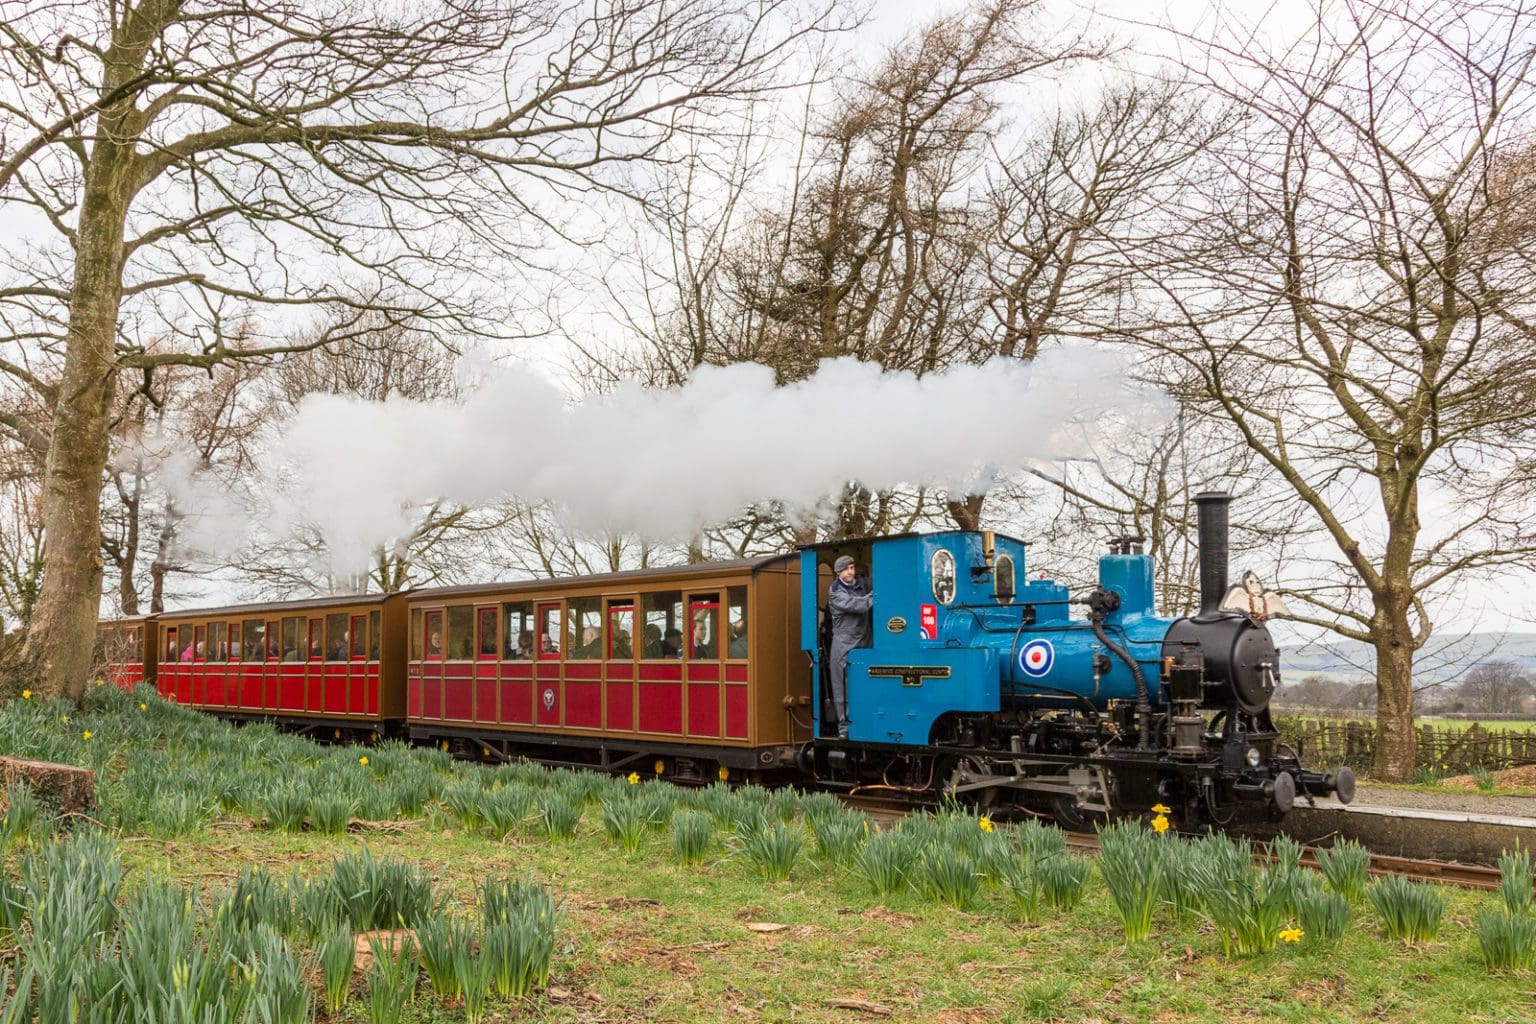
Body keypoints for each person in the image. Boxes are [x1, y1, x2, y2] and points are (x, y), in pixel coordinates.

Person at [827, 554, 873, 740]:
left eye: (852, 568)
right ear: (838, 573)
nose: (850, 572)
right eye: (846, 569)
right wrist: (877, 595)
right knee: (843, 687)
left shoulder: (862, 584)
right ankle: (844, 727)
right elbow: (859, 605)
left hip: (865, 639)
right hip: (844, 643)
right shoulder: (835, 592)